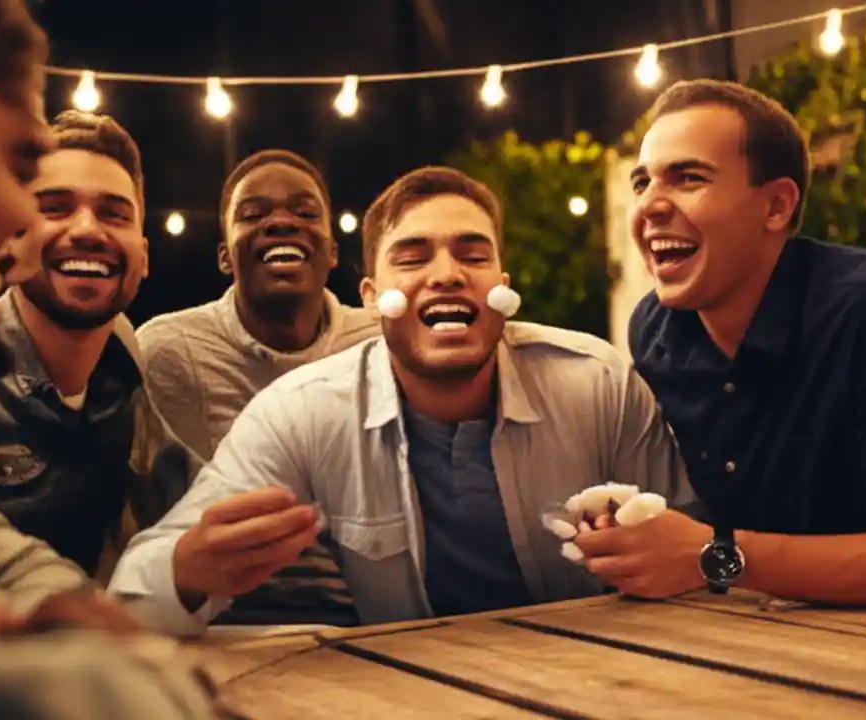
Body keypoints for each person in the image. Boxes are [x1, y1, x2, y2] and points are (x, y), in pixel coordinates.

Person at [110, 166, 690, 634]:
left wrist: (660, 551)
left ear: (503, 287)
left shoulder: (597, 384)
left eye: (473, 254)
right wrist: (187, 573)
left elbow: (690, 545)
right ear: (370, 298)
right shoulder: (304, 412)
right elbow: (135, 589)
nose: (447, 274)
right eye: (413, 257)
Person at [0, 1, 227, 717]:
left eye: (114, 212)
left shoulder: (126, 371)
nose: (24, 224)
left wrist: (95, 629)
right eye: (17, 169)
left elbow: (9, 564)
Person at [572, 79, 866, 606]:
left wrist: (713, 555)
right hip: (740, 634)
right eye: (642, 182)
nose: (649, 205)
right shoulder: (656, 330)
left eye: (688, 178)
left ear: (777, 206)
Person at [0, 110, 197, 584]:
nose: (87, 230)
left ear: (143, 258)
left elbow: (190, 496)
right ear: (10, 236)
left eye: (114, 213)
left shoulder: (123, 362)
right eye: (55, 207)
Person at [137, 150, 379, 624]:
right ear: (224, 256)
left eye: (305, 212)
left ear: (332, 251)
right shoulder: (168, 352)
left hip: (371, 624)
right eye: (253, 214)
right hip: (219, 625)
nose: (282, 222)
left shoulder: (378, 343)